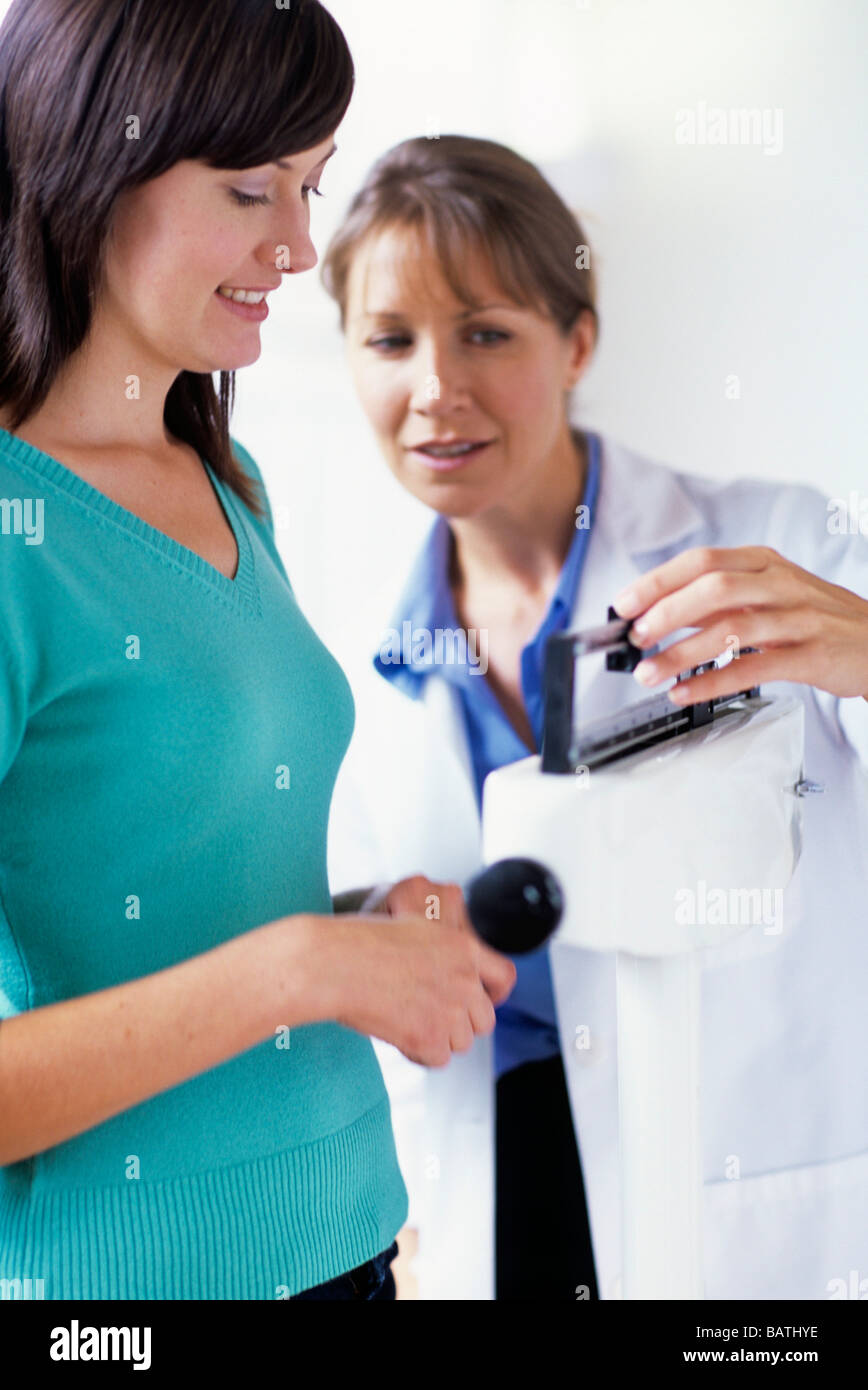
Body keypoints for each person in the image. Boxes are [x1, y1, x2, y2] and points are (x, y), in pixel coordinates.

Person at [0, 1, 516, 1301]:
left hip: (344, 1242)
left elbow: (178, 912)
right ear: (83, 165)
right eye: (250, 190)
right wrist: (297, 968)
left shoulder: (226, 478)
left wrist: (355, 940)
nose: (298, 244)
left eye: (310, 187)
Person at [321, 134, 868, 1300]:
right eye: (389, 339)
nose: (434, 390)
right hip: (493, 1201)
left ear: (575, 341)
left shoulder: (779, 548)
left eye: (485, 332)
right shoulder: (357, 671)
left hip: (744, 1188)